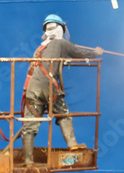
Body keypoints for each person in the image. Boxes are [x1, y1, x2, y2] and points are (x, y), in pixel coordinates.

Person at [19, 14, 103, 165]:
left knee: (29, 125)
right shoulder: (61, 44)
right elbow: (80, 53)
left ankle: (28, 160)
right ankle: (72, 145)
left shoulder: (40, 48)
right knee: (63, 114)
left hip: (32, 88)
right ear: (61, 28)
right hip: (49, 88)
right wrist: (96, 52)